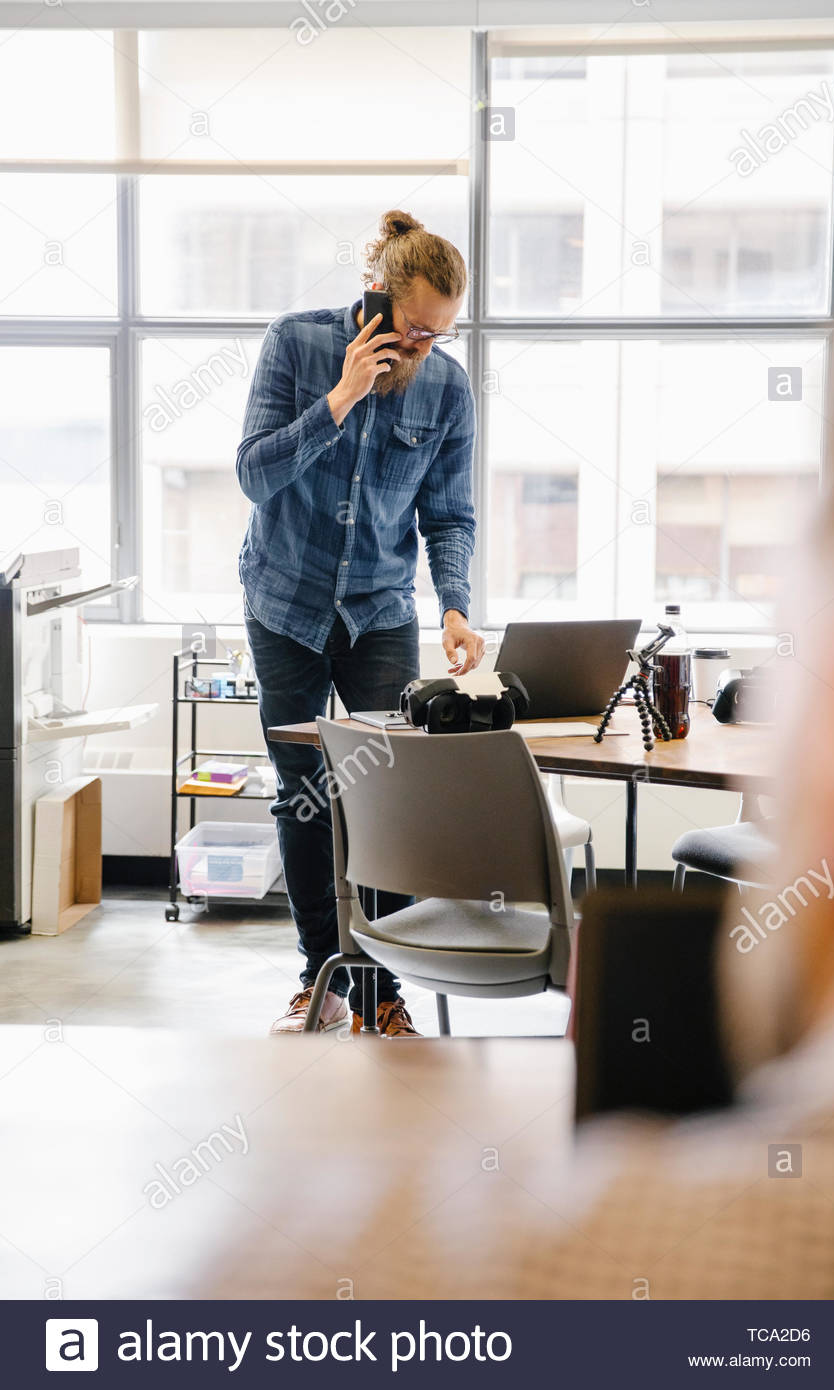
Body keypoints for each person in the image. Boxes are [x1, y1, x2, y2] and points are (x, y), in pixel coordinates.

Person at [236, 210, 484, 1038]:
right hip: (285, 602)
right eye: (414, 327)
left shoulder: (447, 388)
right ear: (376, 292)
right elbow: (254, 476)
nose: (423, 345)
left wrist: (455, 604)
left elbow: (449, 515)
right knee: (304, 795)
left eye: (439, 333)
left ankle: (381, 992)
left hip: (380, 609)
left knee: (386, 795)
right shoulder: (295, 343)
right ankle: (323, 978)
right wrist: (339, 399)